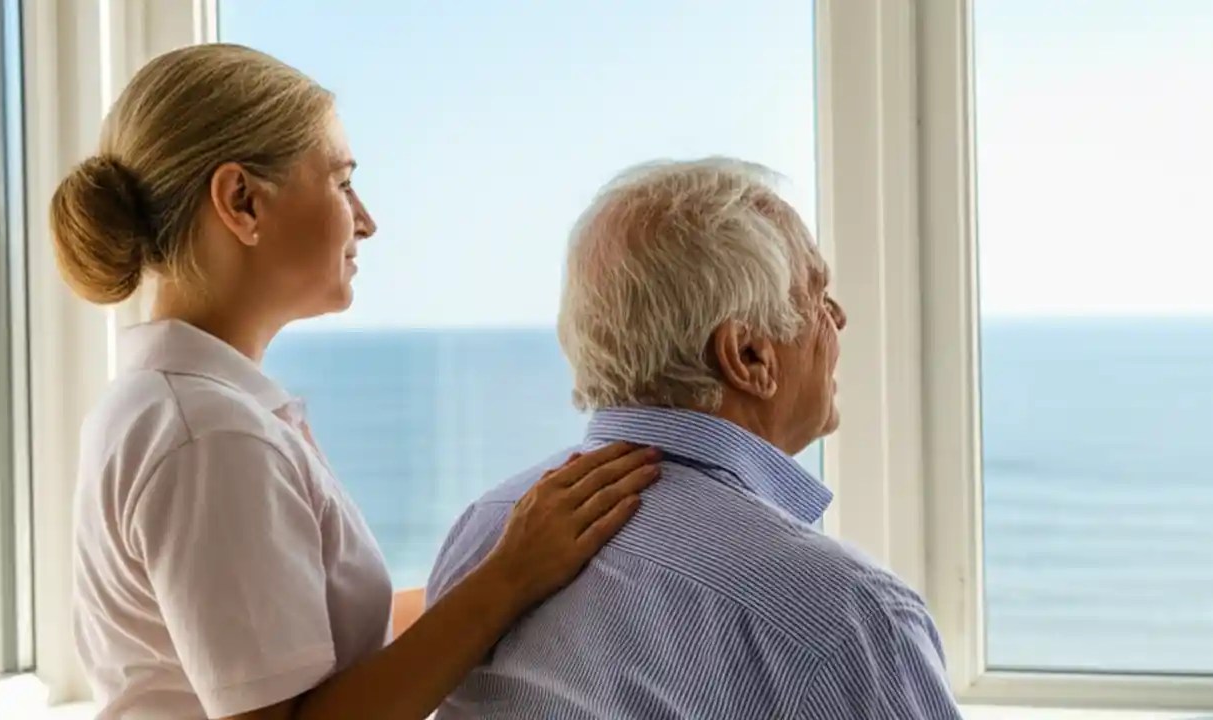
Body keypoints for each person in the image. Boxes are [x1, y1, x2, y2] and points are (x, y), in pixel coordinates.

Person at [54, 43, 660, 720]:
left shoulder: (171, 405)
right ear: (241, 201)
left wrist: (520, 569)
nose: (366, 220)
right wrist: (509, 576)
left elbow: (321, 653)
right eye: (342, 182)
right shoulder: (212, 437)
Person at [426, 158, 965, 719]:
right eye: (818, 298)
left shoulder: (484, 528)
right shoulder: (849, 617)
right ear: (749, 357)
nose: (840, 318)